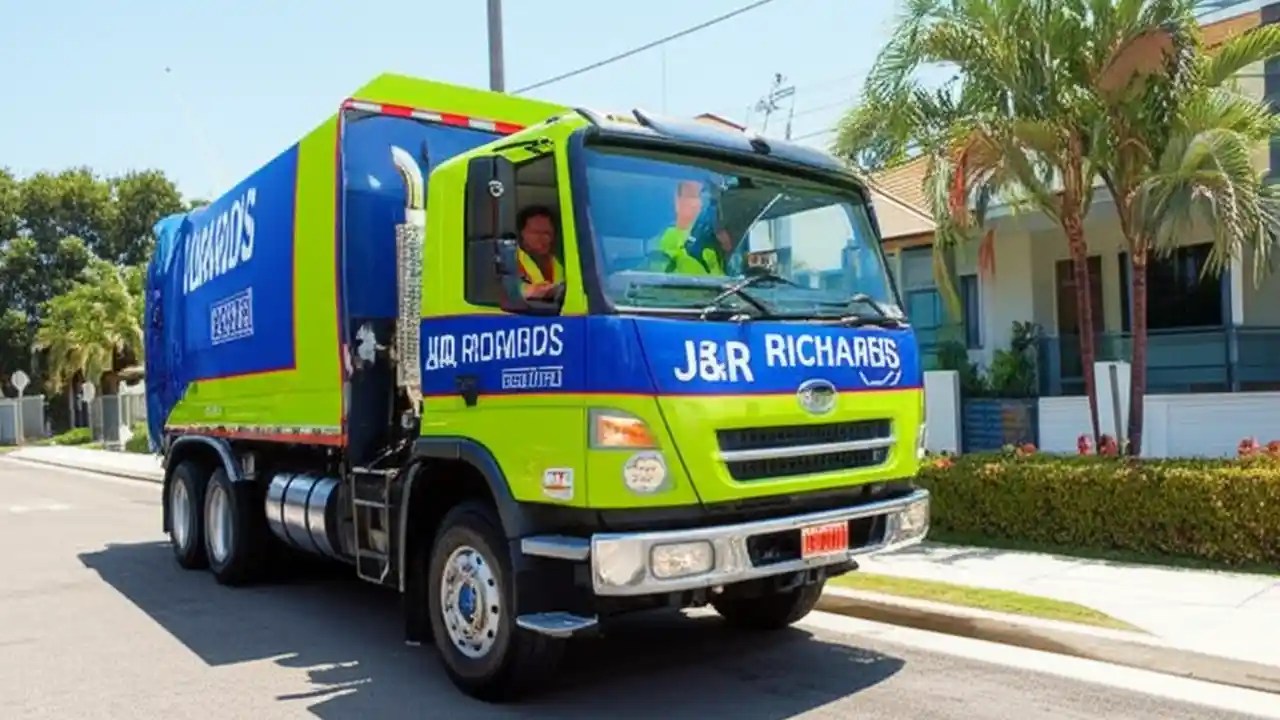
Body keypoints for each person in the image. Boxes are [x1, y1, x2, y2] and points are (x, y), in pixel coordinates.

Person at [648, 179, 736, 276]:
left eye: (702, 195)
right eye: (692, 196)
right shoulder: (663, 245)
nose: (699, 203)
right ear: (676, 200)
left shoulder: (709, 241)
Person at [515, 205, 565, 301]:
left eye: (547, 233)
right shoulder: (510, 260)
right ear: (522, 233)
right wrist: (527, 292)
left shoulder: (559, 265)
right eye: (536, 232)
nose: (543, 238)